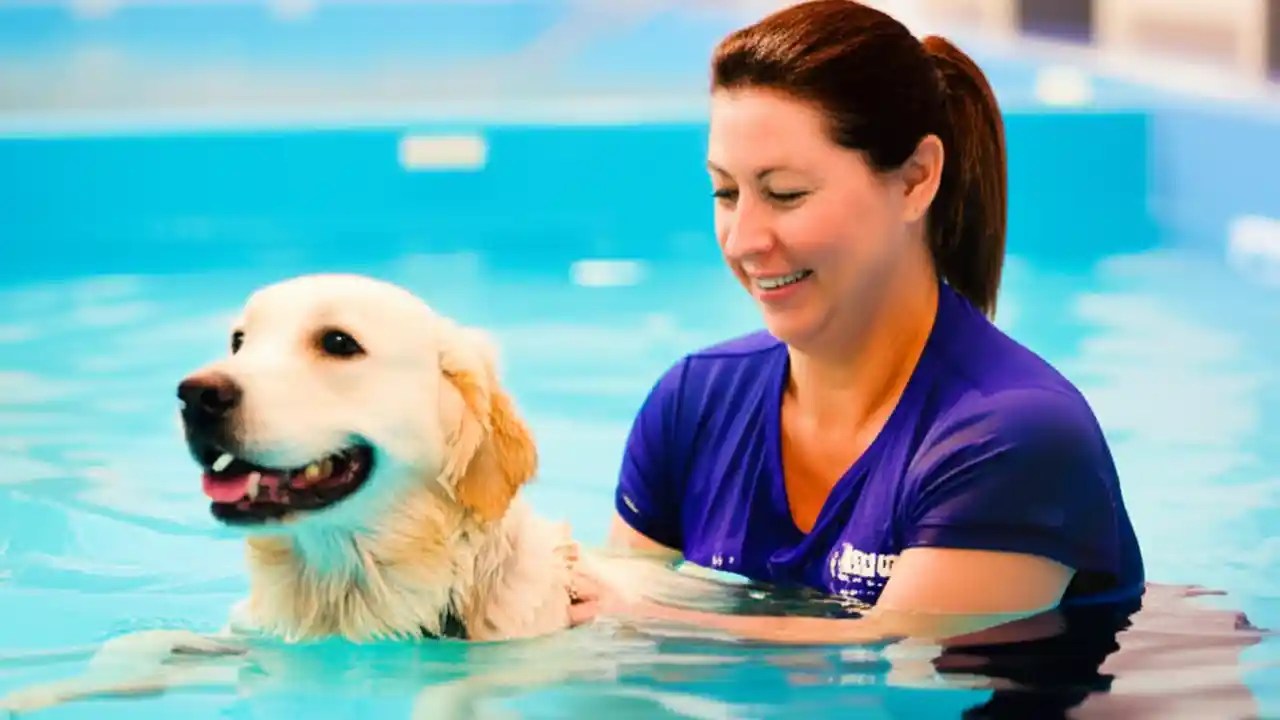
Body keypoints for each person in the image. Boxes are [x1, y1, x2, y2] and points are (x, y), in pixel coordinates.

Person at [570, 0, 1145, 645]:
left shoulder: (1015, 438)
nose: (743, 240)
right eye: (726, 193)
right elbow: (614, 647)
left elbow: (894, 672)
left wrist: (638, 613)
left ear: (915, 180)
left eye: (786, 193)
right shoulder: (693, 405)